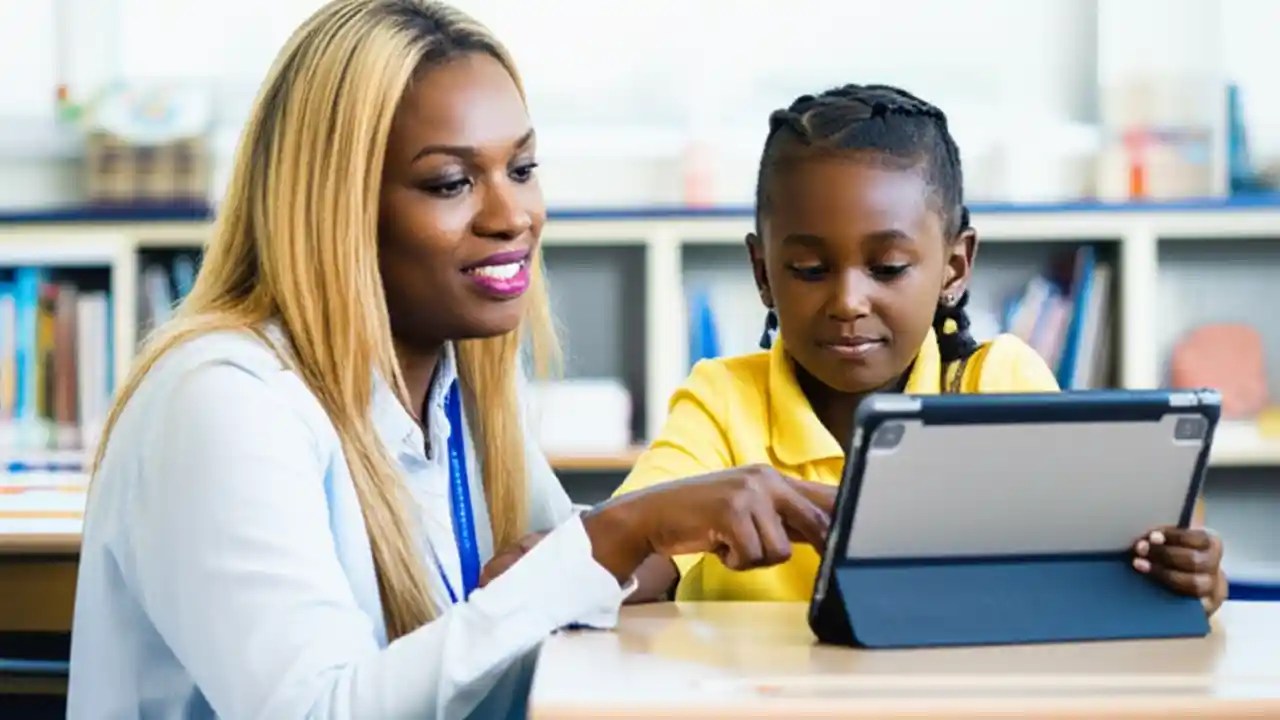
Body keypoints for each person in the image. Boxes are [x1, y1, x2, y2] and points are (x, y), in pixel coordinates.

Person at [65, 3, 832, 718]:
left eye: (522, 169)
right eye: (451, 182)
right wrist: (623, 530)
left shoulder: (457, 388)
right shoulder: (223, 400)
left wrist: (651, 533)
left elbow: (549, 593)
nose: (513, 216)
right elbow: (318, 709)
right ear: (336, 206)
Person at [613, 84, 1228, 612]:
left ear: (954, 268)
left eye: (887, 268)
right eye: (808, 269)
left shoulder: (999, 385)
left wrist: (1181, 574)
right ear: (763, 272)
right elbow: (607, 575)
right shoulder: (723, 402)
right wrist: (664, 520)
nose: (848, 301)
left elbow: (1092, 570)